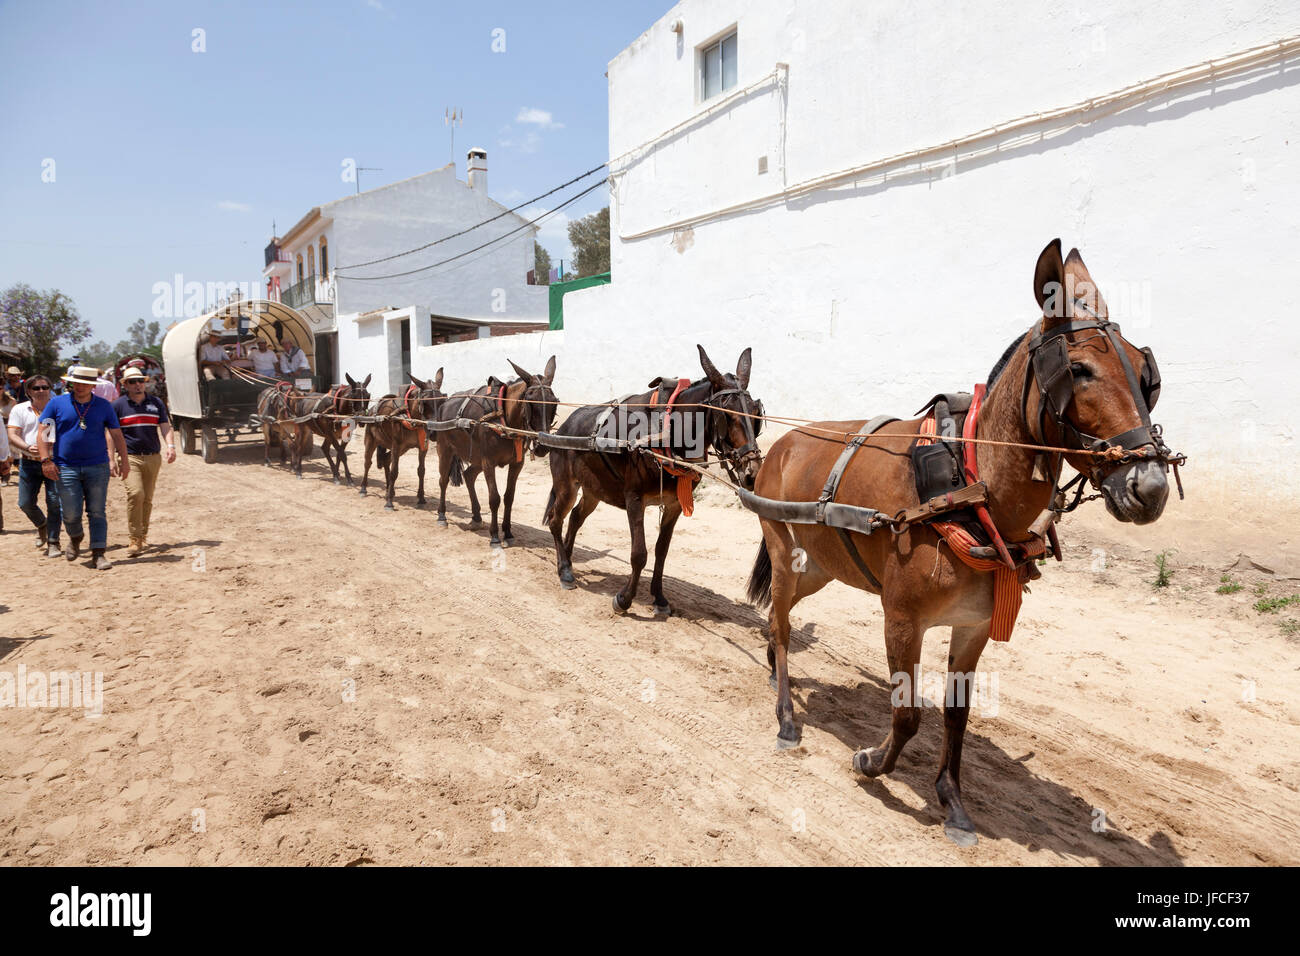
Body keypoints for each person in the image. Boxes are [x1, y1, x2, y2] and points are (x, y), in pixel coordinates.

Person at [36, 365, 129, 570]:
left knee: (97, 511)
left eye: (85, 383)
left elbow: (116, 434)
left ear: (92, 386)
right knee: (70, 513)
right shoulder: (56, 403)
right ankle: (76, 536)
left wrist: (124, 460)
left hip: (97, 466)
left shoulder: (104, 406)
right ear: (70, 383)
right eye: (76, 382)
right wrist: (45, 460)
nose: (80, 386)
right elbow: (43, 431)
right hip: (65, 467)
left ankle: (98, 553)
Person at [112, 366, 174, 556]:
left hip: (153, 457)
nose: (137, 384)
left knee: (147, 499)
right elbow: (110, 434)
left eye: (140, 381)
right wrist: (111, 458)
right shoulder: (117, 405)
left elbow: (165, 426)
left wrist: (170, 446)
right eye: (132, 382)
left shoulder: (156, 403)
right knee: (136, 494)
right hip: (129, 457)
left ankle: (143, 536)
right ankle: (134, 539)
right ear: (125, 385)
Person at [6, 374, 63, 556]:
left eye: (45, 387)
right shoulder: (20, 409)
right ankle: (42, 524)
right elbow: (13, 434)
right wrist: (26, 446)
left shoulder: (60, 408)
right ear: (29, 391)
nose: (41, 391)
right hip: (29, 462)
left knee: (54, 503)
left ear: (50, 389)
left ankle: (53, 542)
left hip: (55, 462)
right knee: (25, 503)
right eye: (36, 388)